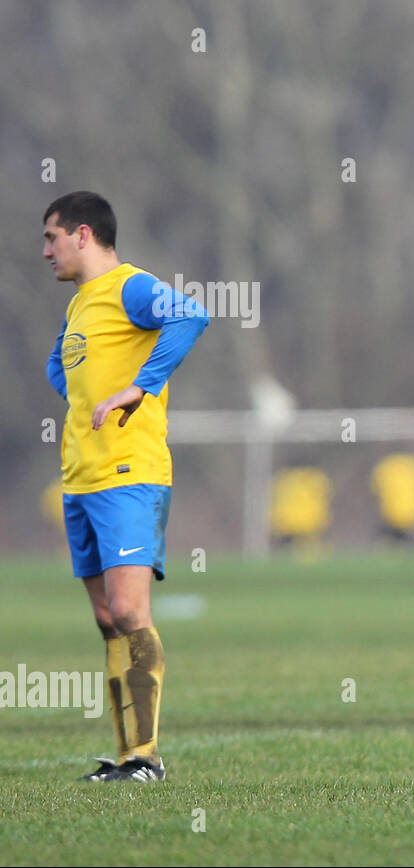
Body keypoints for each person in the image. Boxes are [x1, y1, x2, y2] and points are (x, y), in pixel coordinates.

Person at [43, 191, 209, 783]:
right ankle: (128, 757)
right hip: (79, 478)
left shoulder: (131, 286)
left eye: (51, 237)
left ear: (83, 235)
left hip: (129, 475)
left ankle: (146, 758)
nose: (46, 251)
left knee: (129, 609)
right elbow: (57, 367)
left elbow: (191, 315)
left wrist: (140, 387)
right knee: (106, 618)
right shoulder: (79, 307)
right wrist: (86, 399)